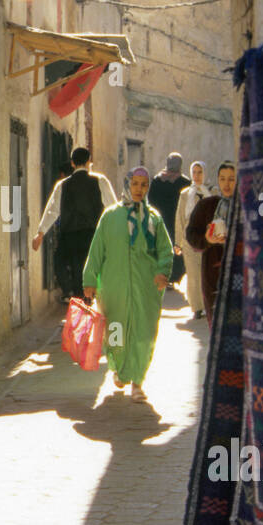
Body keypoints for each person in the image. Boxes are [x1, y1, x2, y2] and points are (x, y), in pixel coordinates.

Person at [82, 166, 175, 402]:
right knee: (116, 333)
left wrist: (163, 271)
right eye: (135, 184)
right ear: (127, 184)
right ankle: (118, 369)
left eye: (144, 185)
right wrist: (90, 280)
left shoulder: (153, 219)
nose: (139, 189)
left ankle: (137, 382)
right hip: (114, 288)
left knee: (144, 334)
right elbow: (96, 251)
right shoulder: (110, 217)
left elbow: (165, 250)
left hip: (146, 288)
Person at [32, 147, 117, 303]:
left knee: (65, 265)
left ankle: (71, 294)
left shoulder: (62, 185)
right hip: (93, 235)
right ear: (88, 162)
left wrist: (40, 233)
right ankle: (88, 299)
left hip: (69, 236)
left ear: (72, 163)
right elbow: (113, 207)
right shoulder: (100, 181)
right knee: (89, 270)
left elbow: (52, 211)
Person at [185, 160, 236, 325]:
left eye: (231, 179)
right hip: (213, 275)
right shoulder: (207, 206)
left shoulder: (248, 207)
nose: (226, 184)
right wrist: (207, 240)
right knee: (217, 326)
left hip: (240, 274)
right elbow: (191, 234)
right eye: (222, 179)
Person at [173, 161, 215, 320]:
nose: (197, 176)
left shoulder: (212, 192)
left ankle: (208, 304)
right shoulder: (185, 194)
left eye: (200, 172)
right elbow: (180, 219)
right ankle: (197, 307)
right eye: (194, 172)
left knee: (207, 272)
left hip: (208, 239)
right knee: (193, 274)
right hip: (189, 239)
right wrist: (178, 242)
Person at [147, 153, 191, 288]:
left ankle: (161, 275)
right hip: (176, 221)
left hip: (160, 220)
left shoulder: (156, 180)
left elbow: (151, 200)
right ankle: (173, 277)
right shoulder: (184, 182)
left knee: (161, 246)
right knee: (176, 246)